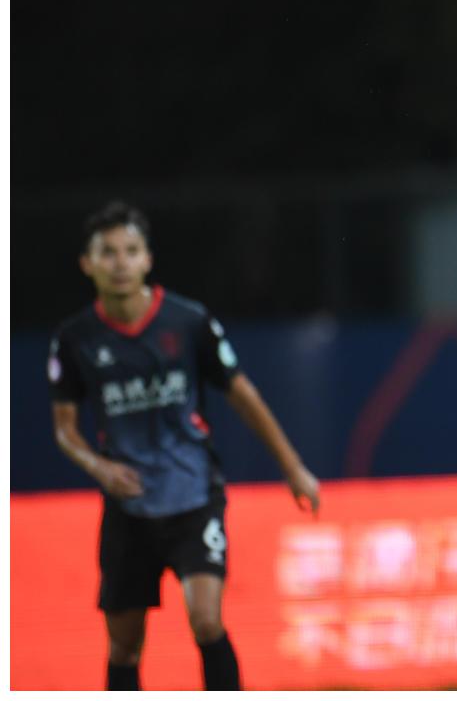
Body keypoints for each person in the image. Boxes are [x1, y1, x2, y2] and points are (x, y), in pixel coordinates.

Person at [48, 201, 321, 691]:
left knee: (206, 621)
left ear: (148, 259)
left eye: (130, 251)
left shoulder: (187, 322)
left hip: (195, 497)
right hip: (128, 507)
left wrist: (293, 467)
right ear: (87, 264)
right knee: (125, 647)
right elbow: (65, 429)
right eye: (107, 253)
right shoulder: (75, 340)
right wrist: (98, 467)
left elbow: (243, 394)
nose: (120, 262)